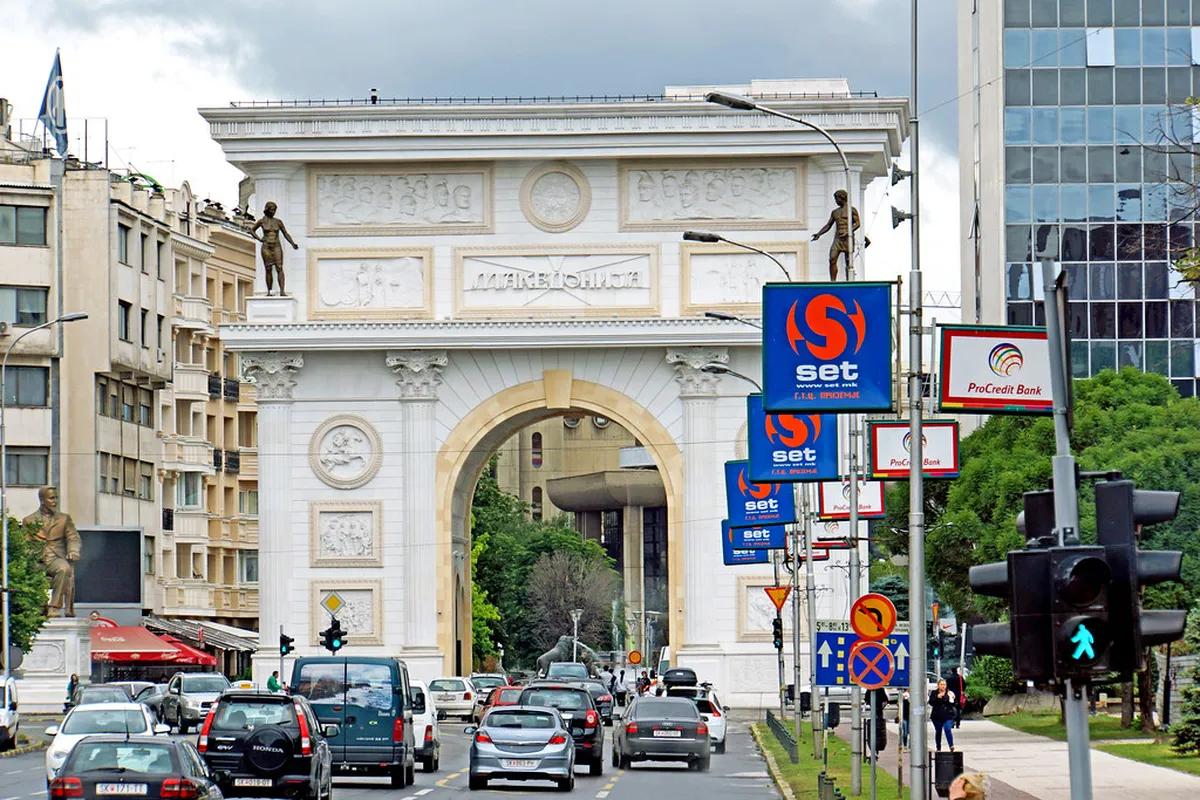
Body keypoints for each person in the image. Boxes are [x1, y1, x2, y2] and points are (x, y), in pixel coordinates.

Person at [929, 678, 958, 752]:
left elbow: (953, 703)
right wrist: (937, 697)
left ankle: (951, 745)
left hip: (948, 715)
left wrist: (951, 698)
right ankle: (938, 747)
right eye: (941, 684)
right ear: (938, 685)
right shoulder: (934, 693)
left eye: (944, 685)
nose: (943, 686)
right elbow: (931, 702)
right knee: (938, 731)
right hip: (937, 716)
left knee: (947, 728)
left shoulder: (949, 693)